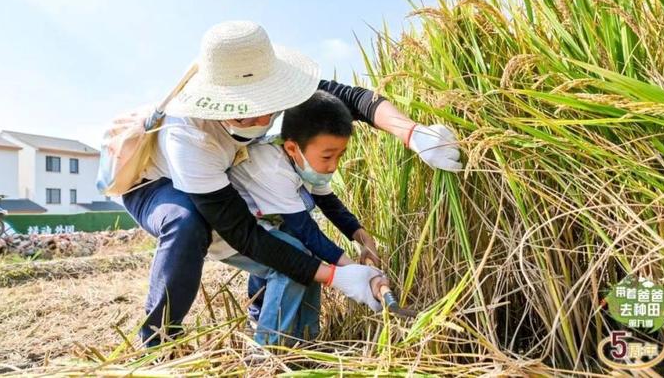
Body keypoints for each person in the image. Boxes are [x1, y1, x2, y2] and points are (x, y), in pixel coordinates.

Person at [120, 20, 461, 347]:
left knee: (284, 239)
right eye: (244, 112)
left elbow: (355, 100)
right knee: (189, 224)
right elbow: (245, 235)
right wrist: (339, 273)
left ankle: (279, 328)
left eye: (265, 106)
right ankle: (158, 338)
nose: (262, 119)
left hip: (226, 177)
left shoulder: (277, 90)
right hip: (154, 182)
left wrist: (413, 133)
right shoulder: (190, 136)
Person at [223, 91, 380, 335]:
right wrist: (353, 271)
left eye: (340, 155)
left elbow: (329, 203)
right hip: (232, 232)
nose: (334, 165)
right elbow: (306, 231)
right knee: (295, 261)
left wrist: (362, 237)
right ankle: (266, 350)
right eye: (328, 156)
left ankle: (306, 339)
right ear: (292, 148)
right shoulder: (272, 168)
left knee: (308, 261)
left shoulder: (304, 161)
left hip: (267, 225)